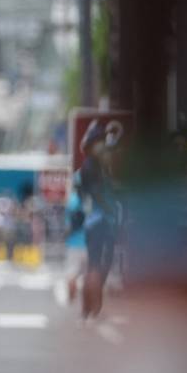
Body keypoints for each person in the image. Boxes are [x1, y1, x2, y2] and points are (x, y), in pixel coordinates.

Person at [78, 121, 118, 319]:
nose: (103, 145)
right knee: (96, 263)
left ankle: (93, 302)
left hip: (105, 221)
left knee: (104, 263)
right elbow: (95, 193)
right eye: (99, 142)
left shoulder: (102, 165)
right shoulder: (90, 166)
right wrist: (111, 208)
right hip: (97, 221)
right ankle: (90, 303)